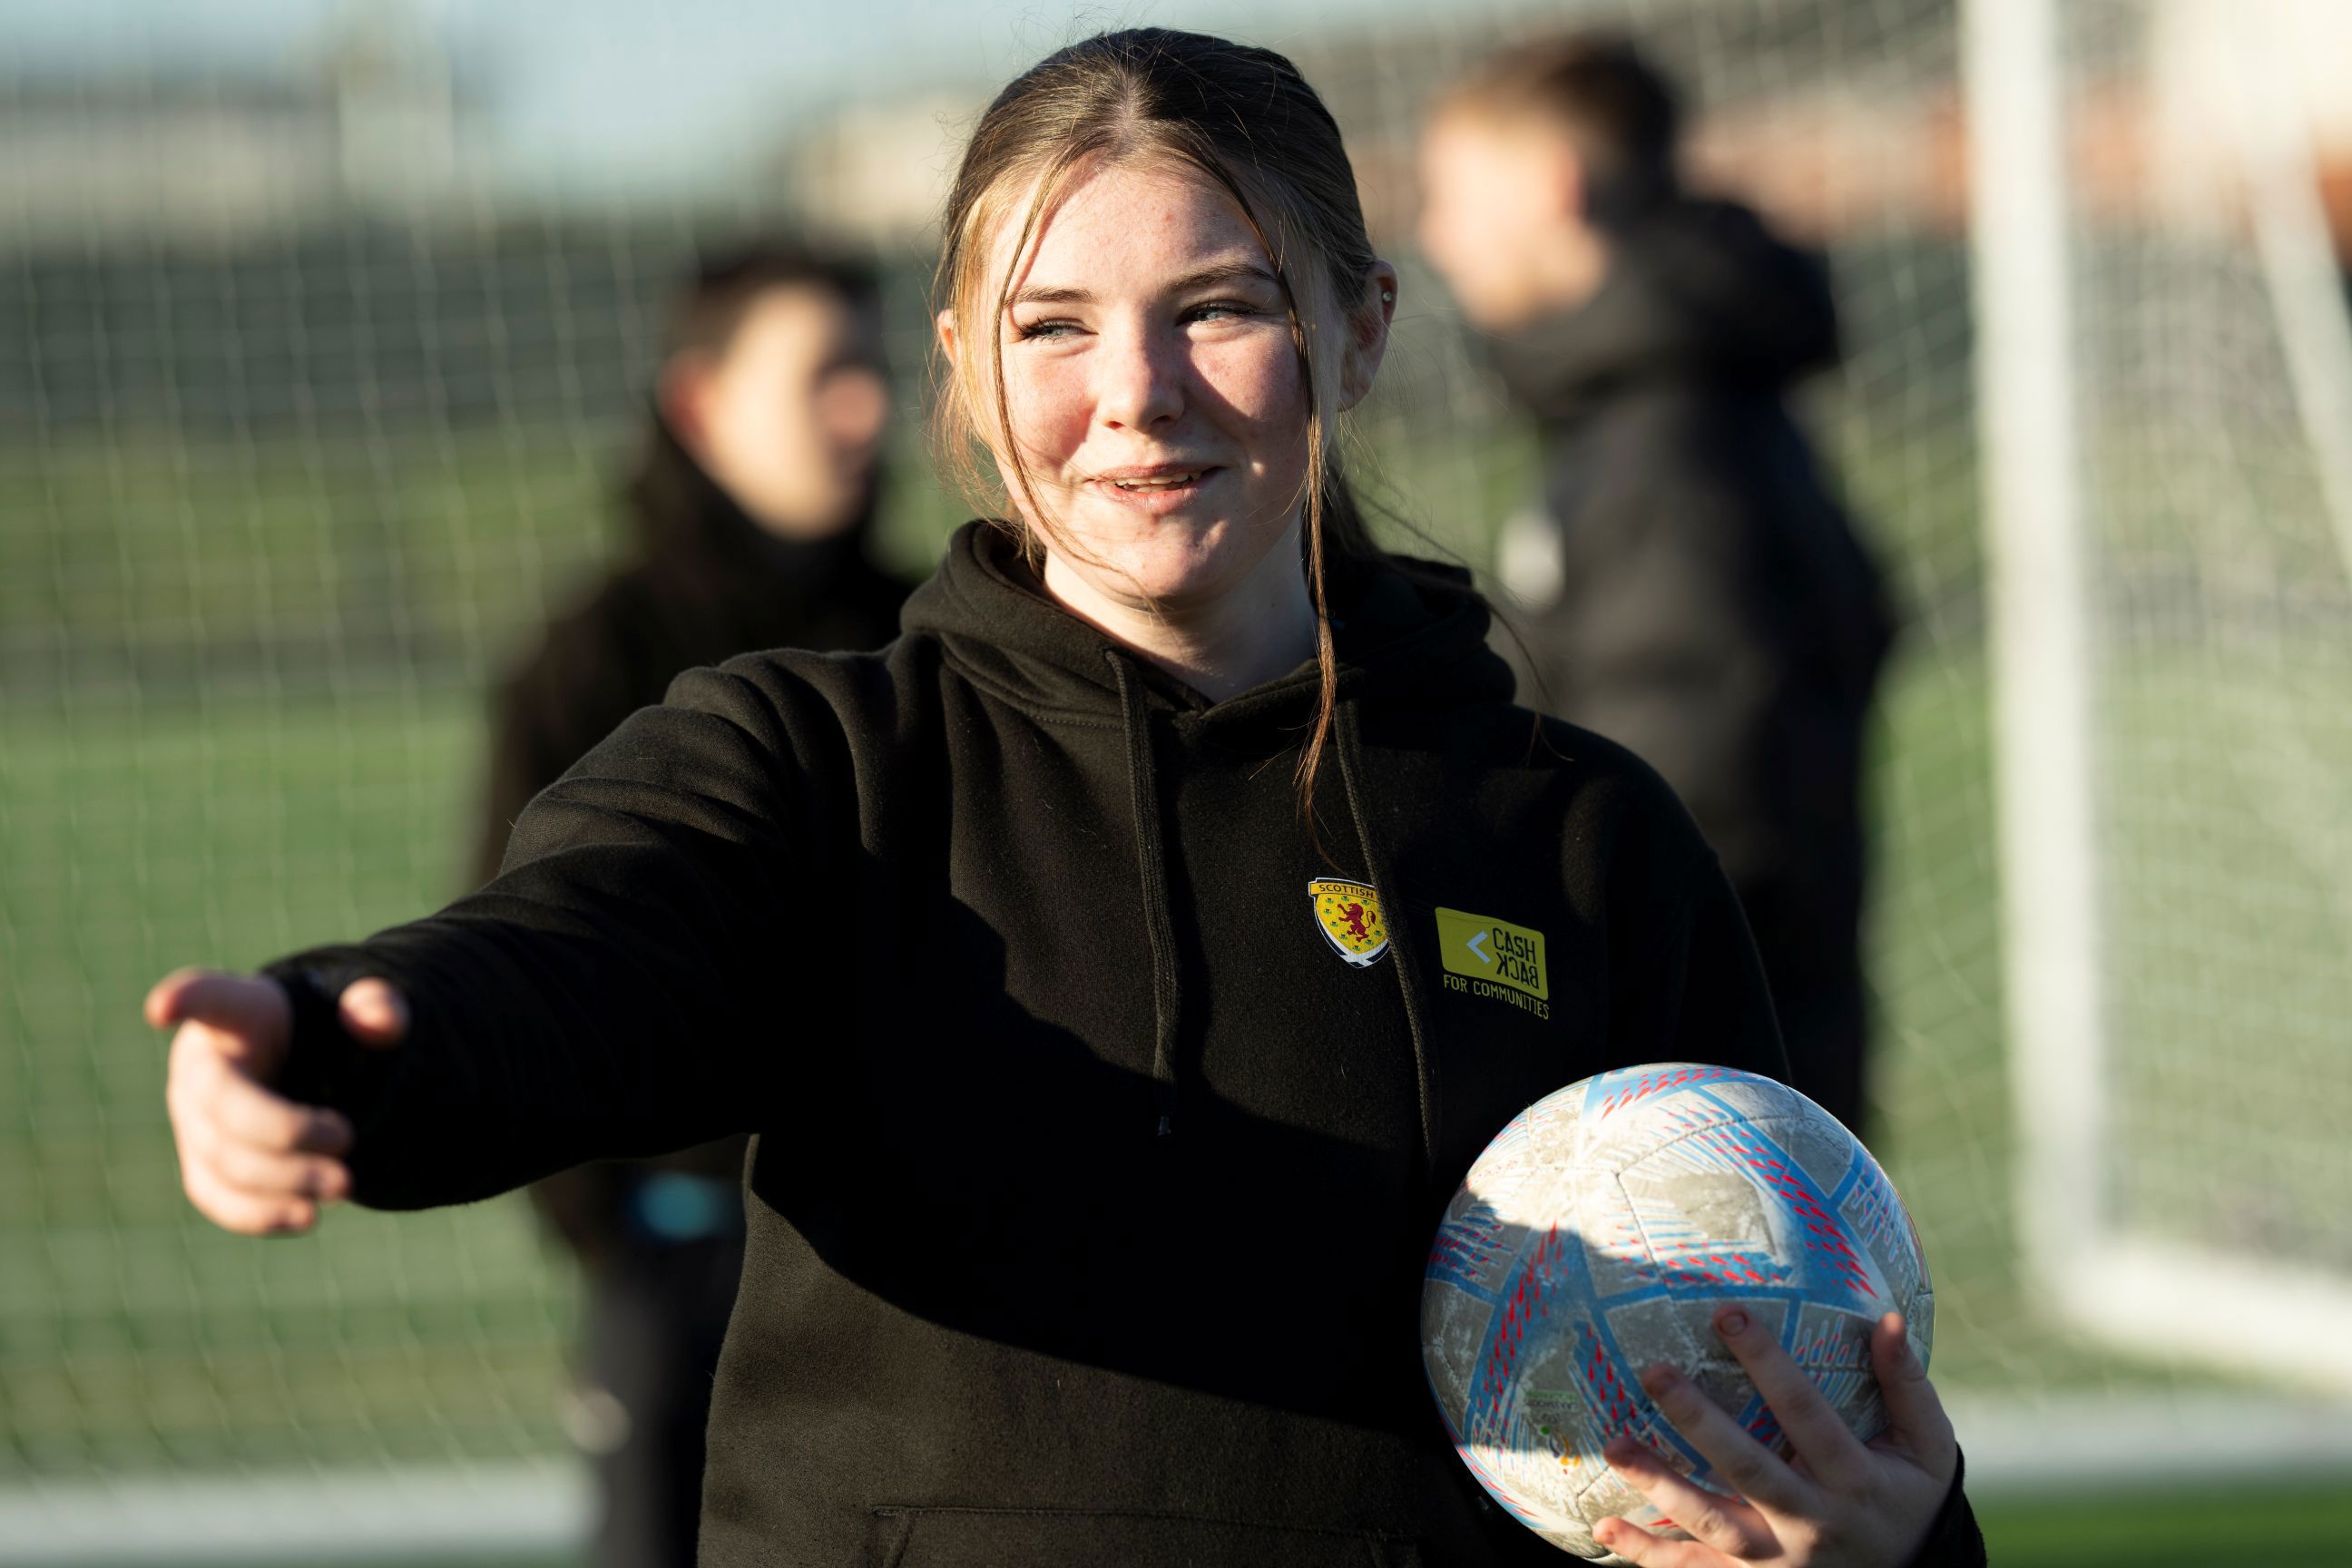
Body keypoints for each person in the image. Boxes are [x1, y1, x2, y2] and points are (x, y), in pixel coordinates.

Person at [149, 29, 1980, 1567]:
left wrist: (1891, 1538)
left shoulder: (1580, 841)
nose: (1136, 397)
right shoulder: (825, 767)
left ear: (1358, 331)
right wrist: (347, 1043)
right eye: (1052, 328)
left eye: (1222, 309)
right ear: (962, 362)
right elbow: (572, 954)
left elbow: (1810, 1348)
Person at [477, 243, 911, 1568]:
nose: (868, 413)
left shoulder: (934, 635)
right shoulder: (592, 653)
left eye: (876, 373)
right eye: (826, 376)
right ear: (698, 404)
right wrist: (607, 1228)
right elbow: (509, 949)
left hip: (916, 1265)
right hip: (675, 1261)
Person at [1417, 37, 1895, 1138]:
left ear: (1551, 188)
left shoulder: (1671, 450)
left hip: (1693, 1109)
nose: (1437, 234)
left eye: (1453, 194)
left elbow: (1687, 817)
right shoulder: (1660, 411)